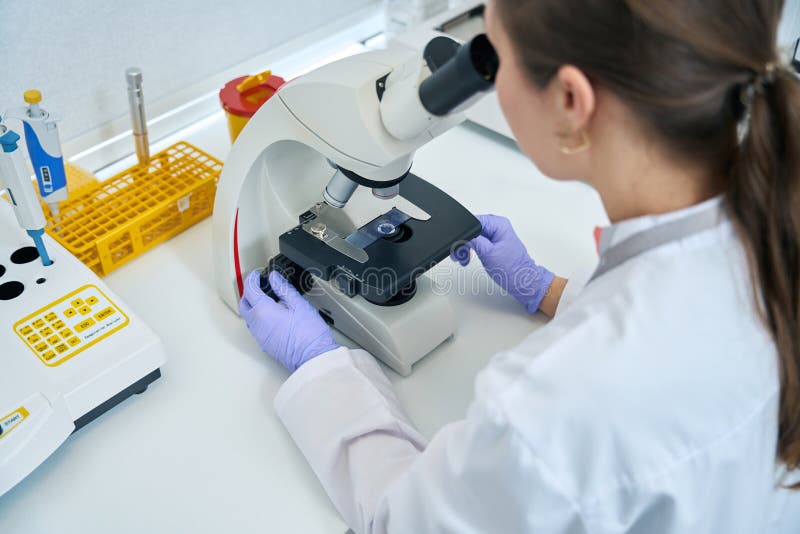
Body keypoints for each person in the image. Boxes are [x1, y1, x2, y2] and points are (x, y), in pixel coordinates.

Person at [237, 0, 800, 531]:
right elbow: (683, 339)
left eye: (493, 57)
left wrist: (323, 372)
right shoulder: (773, 229)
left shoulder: (553, 405)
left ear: (570, 101)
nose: (481, 74)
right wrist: (553, 291)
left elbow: (404, 521)